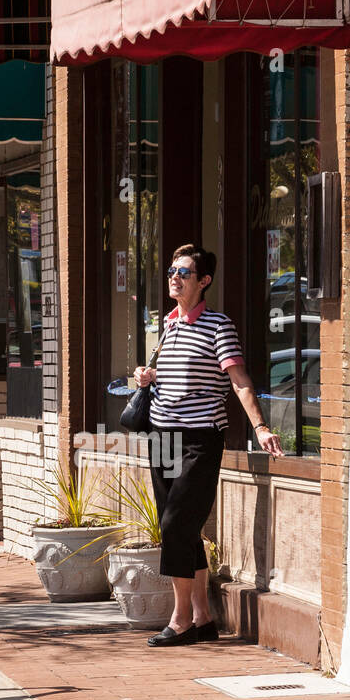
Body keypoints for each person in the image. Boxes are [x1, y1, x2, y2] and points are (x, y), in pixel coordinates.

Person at [133, 243, 284, 648]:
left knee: (176, 524)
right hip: (161, 436)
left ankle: (180, 617)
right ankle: (202, 616)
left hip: (200, 438)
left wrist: (261, 427)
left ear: (204, 281)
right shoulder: (169, 324)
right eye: (171, 271)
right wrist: (148, 377)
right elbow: (170, 378)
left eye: (183, 272)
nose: (174, 277)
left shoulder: (219, 326)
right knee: (182, 527)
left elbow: (239, 380)